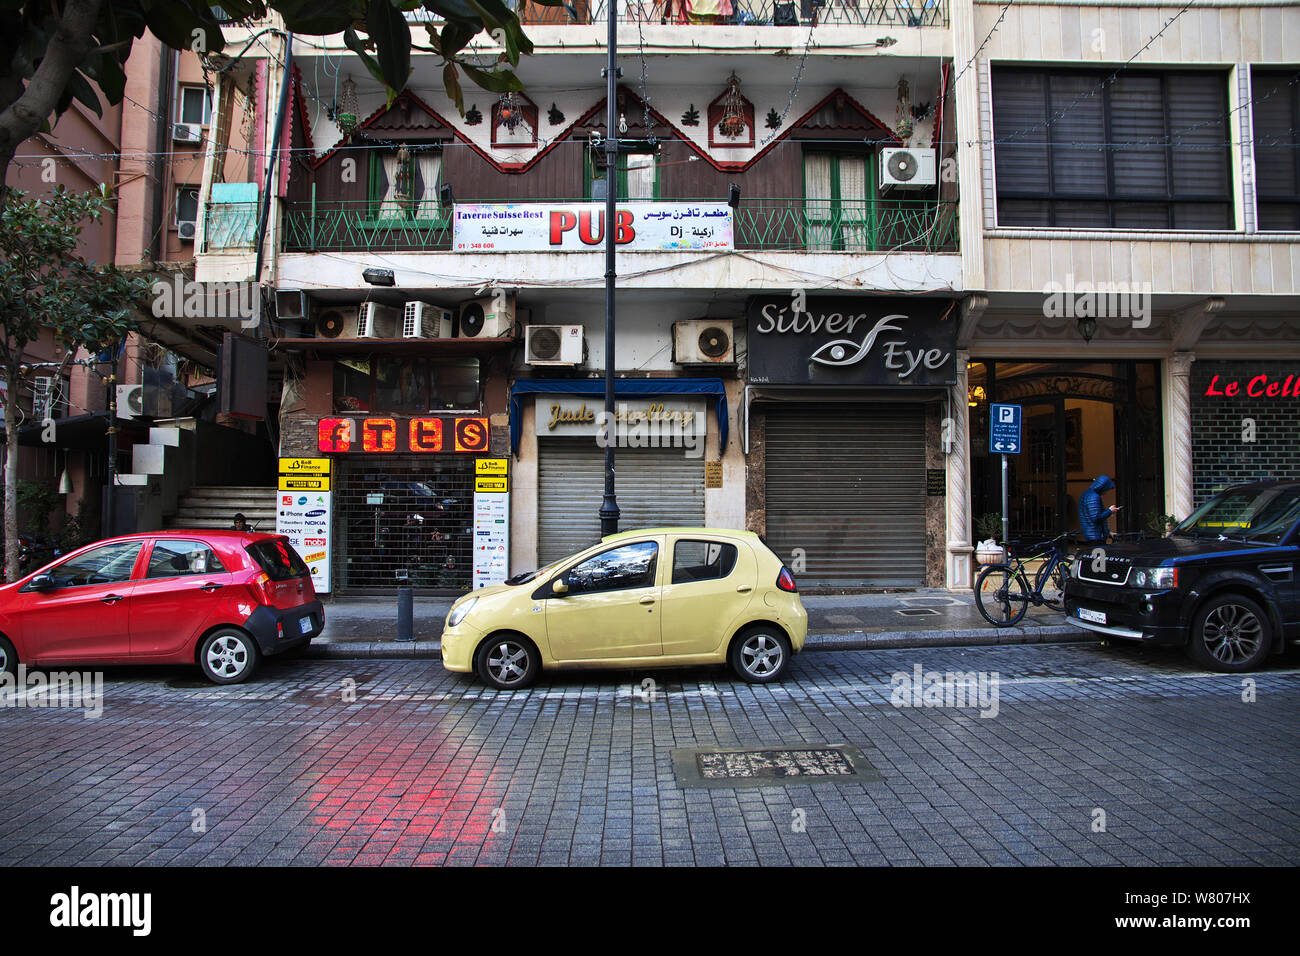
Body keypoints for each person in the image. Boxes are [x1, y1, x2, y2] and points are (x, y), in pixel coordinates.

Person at [1078, 475, 1120, 543]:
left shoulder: (1086, 494)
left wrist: (1108, 532)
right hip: (1096, 538)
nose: (1106, 492)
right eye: (1107, 489)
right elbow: (1096, 518)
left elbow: (1092, 518)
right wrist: (1110, 511)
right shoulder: (1094, 496)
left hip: (1091, 536)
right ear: (1102, 487)